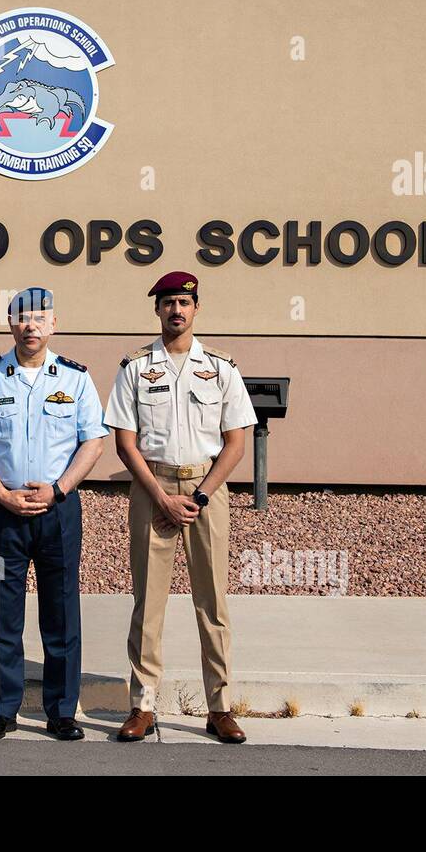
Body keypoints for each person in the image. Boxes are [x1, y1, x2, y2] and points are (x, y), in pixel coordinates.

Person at [104, 271, 257, 743]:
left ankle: (220, 706)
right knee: (148, 603)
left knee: (212, 602)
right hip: (153, 490)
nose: (176, 310)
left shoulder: (221, 366)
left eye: (184, 303)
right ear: (157, 310)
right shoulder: (134, 367)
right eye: (168, 302)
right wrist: (161, 496)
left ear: (196, 309)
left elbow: (236, 442)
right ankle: (143, 704)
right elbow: (125, 443)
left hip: (205, 490)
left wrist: (201, 494)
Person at [0, 287, 106, 740]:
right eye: (22, 318)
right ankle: (1, 710)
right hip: (4, 512)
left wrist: (60, 488)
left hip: (58, 511)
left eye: (40, 317)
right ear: (10, 324)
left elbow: (92, 441)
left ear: (53, 324)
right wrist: (0, 493)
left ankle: (61, 712)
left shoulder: (76, 379)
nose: (31, 325)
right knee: (2, 611)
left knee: (61, 611)